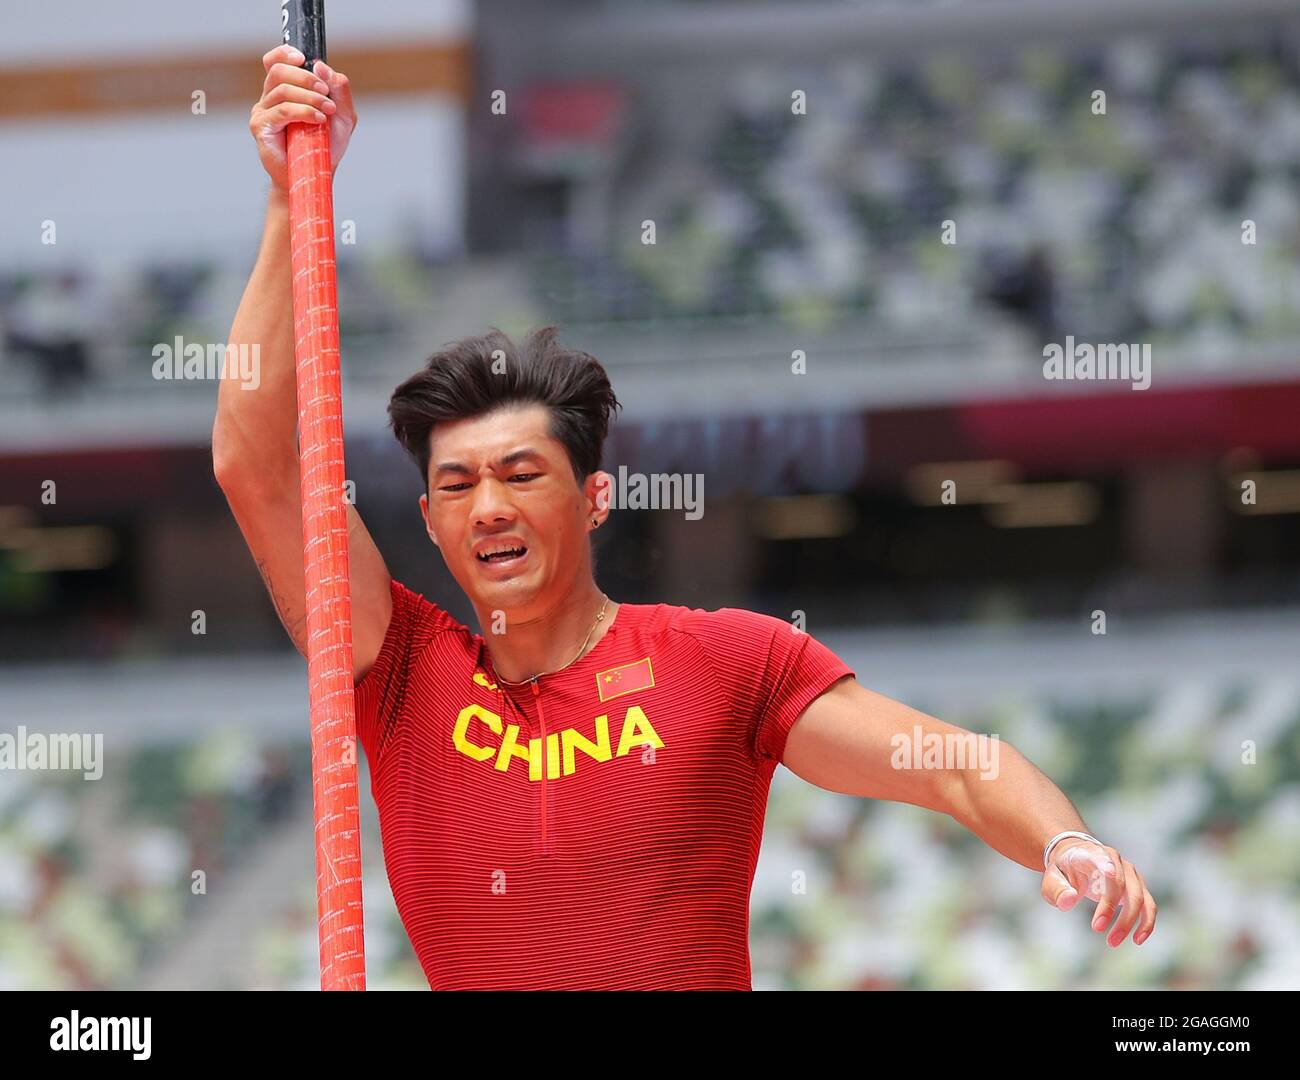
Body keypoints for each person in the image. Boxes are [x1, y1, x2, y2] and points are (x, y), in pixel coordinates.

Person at [212, 45, 1157, 990]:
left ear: (595, 498)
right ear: (426, 517)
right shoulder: (402, 674)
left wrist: (1063, 841)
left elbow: (957, 765)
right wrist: (297, 197)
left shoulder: (723, 665)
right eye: (457, 486)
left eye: (521, 473)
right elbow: (256, 465)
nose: (489, 506)